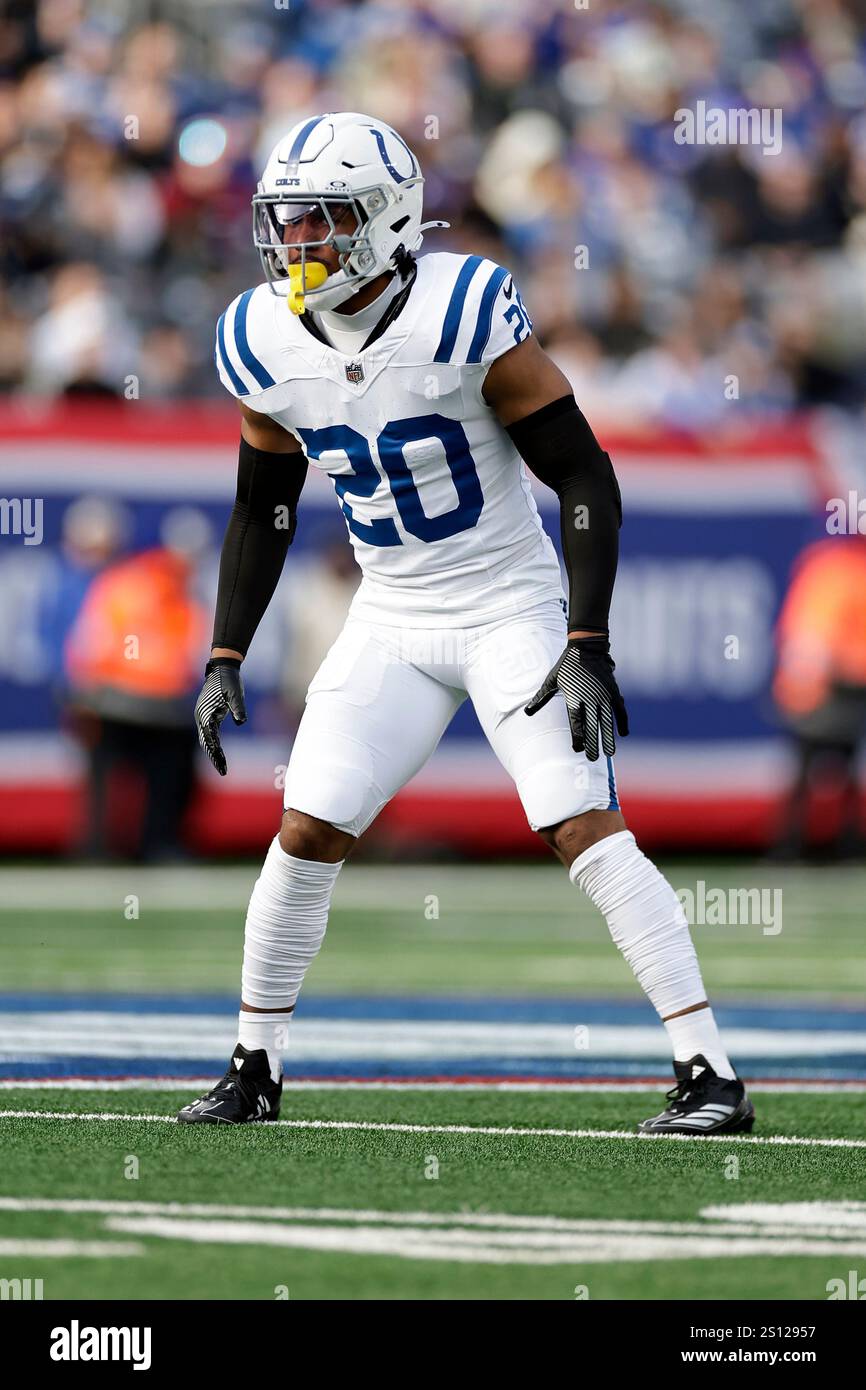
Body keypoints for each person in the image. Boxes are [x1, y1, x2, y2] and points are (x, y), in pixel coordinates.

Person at [180, 112, 753, 1135]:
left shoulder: (462, 309)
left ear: (385, 220)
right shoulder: (259, 339)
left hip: (504, 605)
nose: (296, 244)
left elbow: (581, 471)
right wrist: (225, 650)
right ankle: (252, 1067)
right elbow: (261, 503)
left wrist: (584, 639)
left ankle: (706, 1071)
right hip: (390, 613)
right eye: (286, 222)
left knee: (578, 824)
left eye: (321, 222)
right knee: (304, 829)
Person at [772, 537, 866, 860]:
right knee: (820, 770)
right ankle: (807, 844)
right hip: (826, 691)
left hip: (830, 690)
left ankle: (806, 844)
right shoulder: (837, 571)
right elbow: (813, 641)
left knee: (827, 771)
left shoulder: (825, 566)